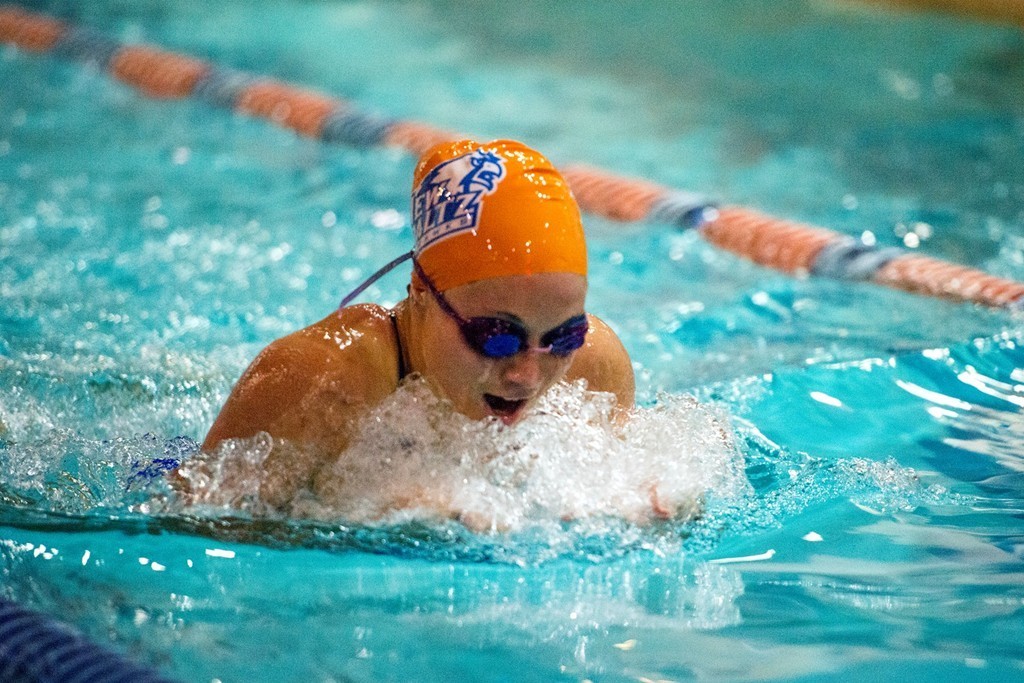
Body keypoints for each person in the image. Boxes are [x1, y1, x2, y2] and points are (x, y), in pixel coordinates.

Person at [199, 139, 635, 510]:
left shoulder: (594, 367)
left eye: (562, 337)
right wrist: (369, 521)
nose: (527, 376)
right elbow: (188, 528)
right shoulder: (319, 382)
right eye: (497, 338)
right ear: (421, 291)